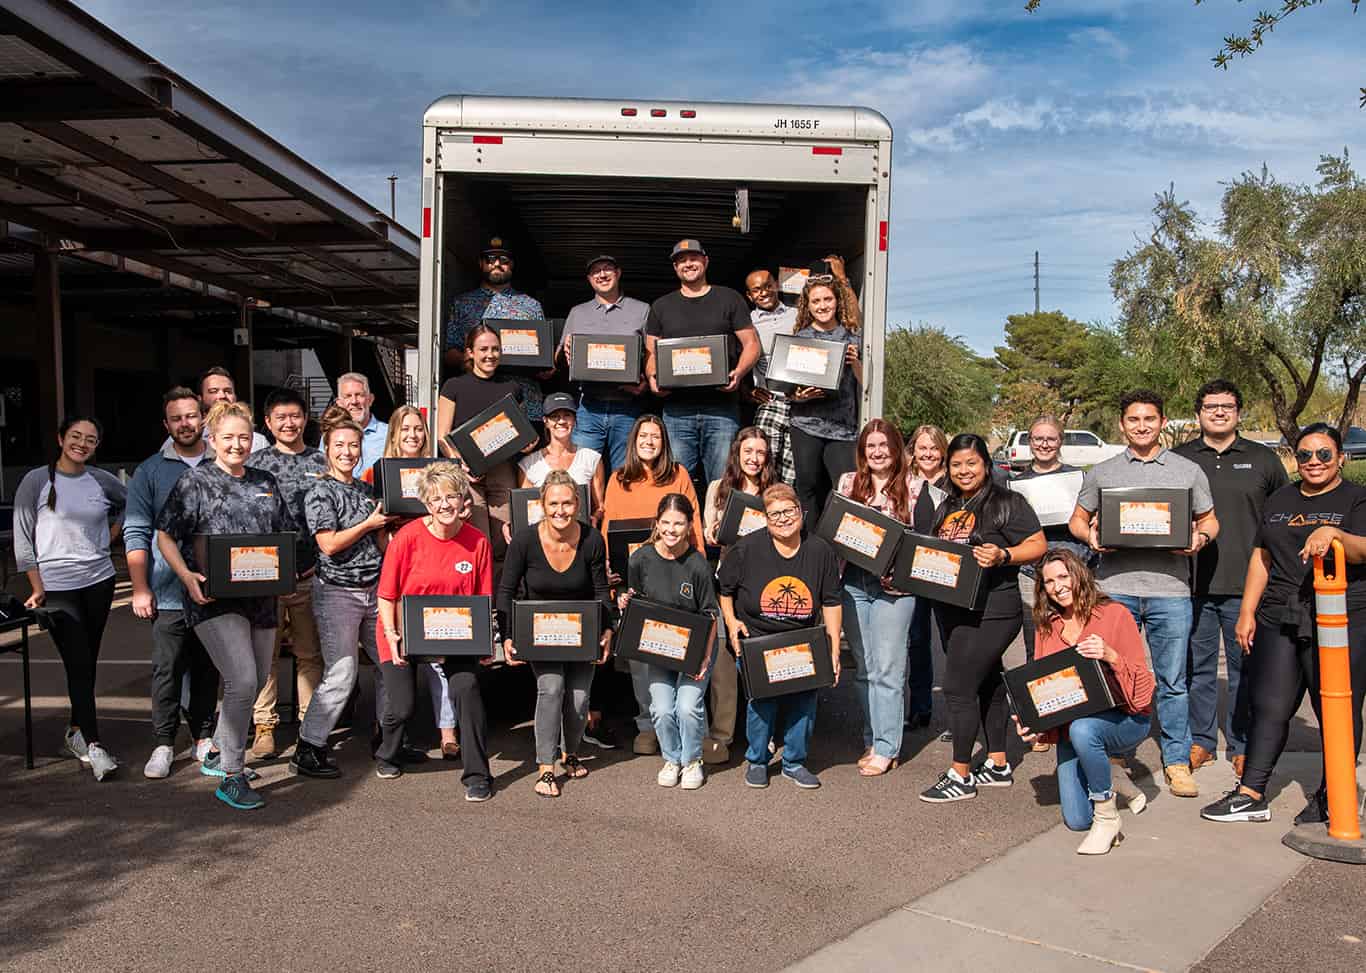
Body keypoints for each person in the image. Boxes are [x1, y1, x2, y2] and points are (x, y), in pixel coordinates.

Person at [1201, 424, 1366, 827]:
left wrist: (1334, 532)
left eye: (1324, 454)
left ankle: (1335, 795)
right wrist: (1246, 612)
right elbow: (1262, 556)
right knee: (1270, 706)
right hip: (1279, 612)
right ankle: (1251, 793)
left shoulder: (1356, 499)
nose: (1314, 462)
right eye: (1306, 455)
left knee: (1337, 708)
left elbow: (1363, 550)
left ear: (1341, 457)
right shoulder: (1282, 498)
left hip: (1340, 615)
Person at [1070, 389, 1219, 799]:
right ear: (1122, 424)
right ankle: (1117, 754)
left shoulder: (1187, 471)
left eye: (1149, 419)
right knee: (1113, 673)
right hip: (1115, 591)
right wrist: (1093, 537)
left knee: (1172, 681)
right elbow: (1077, 521)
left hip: (1170, 592)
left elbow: (1210, 521)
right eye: (1133, 420)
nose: (1141, 426)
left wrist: (1199, 538)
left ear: (1162, 423)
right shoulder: (1103, 472)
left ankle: (1175, 761)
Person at [156, 401, 293, 810]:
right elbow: (165, 535)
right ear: (211, 440)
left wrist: (285, 575)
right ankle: (232, 775)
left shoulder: (265, 480)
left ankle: (217, 750)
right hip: (213, 600)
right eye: (229, 437)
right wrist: (187, 577)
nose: (237, 444)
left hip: (263, 600)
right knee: (243, 680)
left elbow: (281, 536)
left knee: (252, 682)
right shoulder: (194, 483)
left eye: (244, 437)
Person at [919, 434, 1046, 804]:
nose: (964, 471)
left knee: (957, 688)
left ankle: (960, 774)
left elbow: (1038, 545)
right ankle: (997, 763)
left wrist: (1004, 555)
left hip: (994, 609)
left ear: (986, 465)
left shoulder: (1008, 502)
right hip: (953, 609)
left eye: (971, 463)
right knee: (988, 682)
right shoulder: (946, 505)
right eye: (956, 464)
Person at [1173, 380, 1288, 778]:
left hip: (1249, 588)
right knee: (1197, 671)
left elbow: (1282, 518)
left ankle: (1241, 746)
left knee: (1245, 672)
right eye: (1210, 406)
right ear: (1199, 412)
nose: (1219, 412)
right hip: (1192, 586)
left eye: (1227, 405)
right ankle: (1201, 742)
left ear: (1239, 411)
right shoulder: (1180, 459)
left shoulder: (1264, 459)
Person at [1015, 551, 1155, 854]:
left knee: (1082, 729)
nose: (1057, 586)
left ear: (1079, 575)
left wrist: (1110, 655)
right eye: (1048, 581)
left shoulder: (1115, 614)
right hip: (1074, 724)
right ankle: (1111, 773)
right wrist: (1033, 722)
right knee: (1077, 820)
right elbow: (1048, 689)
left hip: (1125, 720)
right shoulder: (1047, 625)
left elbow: (1143, 687)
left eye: (1063, 577)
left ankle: (1107, 816)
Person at [375, 462, 497, 801]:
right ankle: (387, 752)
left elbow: (482, 600)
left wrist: (485, 644)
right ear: (426, 503)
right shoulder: (407, 538)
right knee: (401, 707)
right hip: (401, 632)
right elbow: (386, 595)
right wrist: (391, 635)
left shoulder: (478, 542)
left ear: (463, 501)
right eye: (436, 498)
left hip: (456, 636)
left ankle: (477, 774)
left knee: (467, 690)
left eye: (452, 496)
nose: (445, 504)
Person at [15, 416, 127, 781]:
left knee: (88, 661)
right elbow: (22, 538)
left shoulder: (101, 479)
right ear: (61, 438)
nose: (82, 443)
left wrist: (109, 536)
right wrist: (36, 586)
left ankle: (76, 732)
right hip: (57, 587)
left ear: (96, 446)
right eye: (75, 436)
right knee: (78, 662)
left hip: (99, 581)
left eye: (90, 439)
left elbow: (131, 505)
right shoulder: (36, 480)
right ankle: (94, 746)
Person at [719, 483, 843, 790]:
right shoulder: (746, 549)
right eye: (775, 514)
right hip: (759, 640)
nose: (783, 518)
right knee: (762, 704)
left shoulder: (820, 551)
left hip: (804, 642)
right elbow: (725, 590)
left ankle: (794, 762)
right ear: (765, 518)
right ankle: (757, 760)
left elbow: (831, 602)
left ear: (801, 512)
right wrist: (732, 623)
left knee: (804, 703)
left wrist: (833, 649)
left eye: (789, 511)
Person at [293, 415, 397, 779]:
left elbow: (379, 543)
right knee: (342, 672)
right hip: (338, 592)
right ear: (327, 449)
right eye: (339, 445)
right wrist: (369, 524)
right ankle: (309, 746)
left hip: (374, 590)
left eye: (353, 445)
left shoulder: (367, 491)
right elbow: (328, 544)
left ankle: (387, 738)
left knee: (389, 665)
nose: (347, 452)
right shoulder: (321, 491)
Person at [499, 471, 614, 798]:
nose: (560, 510)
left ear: (578, 504)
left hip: (582, 633)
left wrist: (607, 629)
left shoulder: (593, 540)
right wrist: (507, 635)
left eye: (567, 503)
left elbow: (601, 589)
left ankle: (570, 752)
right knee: (552, 688)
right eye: (553, 503)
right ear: (541, 505)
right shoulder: (523, 540)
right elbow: (506, 590)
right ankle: (546, 767)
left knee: (578, 700)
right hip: (541, 632)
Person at [125, 387, 220, 779]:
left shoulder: (222, 463)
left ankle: (202, 738)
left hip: (215, 588)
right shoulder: (150, 470)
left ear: (203, 418)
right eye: (177, 418)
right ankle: (164, 743)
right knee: (166, 669)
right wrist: (139, 587)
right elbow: (135, 531)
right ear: (167, 425)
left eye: (191, 415)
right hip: (165, 591)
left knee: (206, 668)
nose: (185, 423)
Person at [602, 414, 705, 755]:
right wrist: (610, 572)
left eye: (656, 436)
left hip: (679, 576)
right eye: (643, 436)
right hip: (637, 578)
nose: (649, 441)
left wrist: (699, 566)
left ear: (664, 443)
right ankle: (648, 725)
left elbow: (695, 525)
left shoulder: (679, 475)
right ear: (633, 441)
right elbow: (609, 529)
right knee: (641, 657)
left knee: (681, 649)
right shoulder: (619, 479)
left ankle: (684, 725)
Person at [364, 403, 460, 760]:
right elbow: (376, 524)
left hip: (434, 565)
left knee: (438, 655)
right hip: (398, 566)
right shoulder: (380, 472)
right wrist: (389, 546)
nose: (413, 435)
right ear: (394, 434)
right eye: (405, 429)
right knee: (395, 655)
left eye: (418, 429)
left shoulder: (439, 472)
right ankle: (388, 733)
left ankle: (447, 731)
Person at [245, 387, 327, 760]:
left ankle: (311, 726)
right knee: (267, 655)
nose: (289, 423)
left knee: (310, 654)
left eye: (295, 416)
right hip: (267, 576)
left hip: (312, 573)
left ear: (304, 419)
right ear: (268, 422)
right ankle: (265, 726)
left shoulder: (322, 460)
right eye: (281, 417)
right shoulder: (255, 464)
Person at [618, 494, 719, 789]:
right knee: (661, 709)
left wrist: (704, 659)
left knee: (687, 706)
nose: (671, 530)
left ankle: (692, 760)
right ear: (656, 523)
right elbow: (635, 599)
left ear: (689, 525)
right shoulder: (640, 558)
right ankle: (672, 758)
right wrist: (626, 600)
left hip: (695, 650)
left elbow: (711, 616)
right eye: (665, 523)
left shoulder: (698, 565)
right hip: (659, 650)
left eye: (678, 523)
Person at [836, 419, 918, 777]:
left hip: (894, 589)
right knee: (865, 668)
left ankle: (887, 746)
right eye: (871, 446)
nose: (878, 452)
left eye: (884, 445)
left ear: (896, 449)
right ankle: (872, 738)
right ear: (862, 451)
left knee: (888, 669)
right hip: (853, 582)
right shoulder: (848, 483)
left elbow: (920, 543)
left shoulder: (915, 487)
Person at [643, 239, 760, 484]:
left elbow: (752, 344)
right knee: (676, 482)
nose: (688, 264)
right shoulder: (661, 306)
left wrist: (738, 372)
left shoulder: (729, 298)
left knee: (721, 482)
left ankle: (716, 524)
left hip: (721, 409)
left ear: (705, 261)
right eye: (682, 261)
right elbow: (652, 353)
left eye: (694, 258)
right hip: (677, 411)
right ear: (675, 268)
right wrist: (653, 378)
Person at [700, 427, 775, 763]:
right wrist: (714, 532)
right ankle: (722, 734)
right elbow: (706, 530)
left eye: (760, 452)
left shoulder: (776, 492)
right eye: (748, 451)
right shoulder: (719, 488)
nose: (754, 458)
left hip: (764, 586)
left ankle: (767, 733)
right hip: (725, 582)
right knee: (723, 663)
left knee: (761, 660)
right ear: (737, 453)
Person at [437, 323, 531, 563]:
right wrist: (460, 464)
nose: (490, 355)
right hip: (468, 475)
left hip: (502, 472)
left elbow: (520, 433)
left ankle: (500, 596)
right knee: (475, 538)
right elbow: (442, 435)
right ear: (470, 352)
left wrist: (527, 443)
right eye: (483, 349)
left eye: (495, 349)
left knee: (505, 536)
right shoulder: (454, 386)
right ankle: (478, 597)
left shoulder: (512, 389)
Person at [787, 271, 863, 533]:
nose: (822, 306)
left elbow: (867, 385)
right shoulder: (798, 340)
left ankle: (840, 551)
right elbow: (787, 387)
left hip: (843, 429)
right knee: (807, 488)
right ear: (807, 306)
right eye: (816, 301)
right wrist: (798, 396)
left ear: (837, 301)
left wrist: (856, 364)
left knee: (845, 491)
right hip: (805, 424)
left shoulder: (854, 338)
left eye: (827, 299)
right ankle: (810, 545)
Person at [442, 237, 548, 421]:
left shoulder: (531, 306)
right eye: (491, 259)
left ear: (512, 265)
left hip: (524, 403)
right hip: (477, 402)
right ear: (481, 263)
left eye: (504, 260)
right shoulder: (462, 304)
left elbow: (544, 359)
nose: (497, 264)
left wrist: (546, 366)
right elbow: (449, 354)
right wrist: (477, 358)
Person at [562, 255, 650, 470]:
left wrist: (646, 384)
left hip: (628, 407)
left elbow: (653, 355)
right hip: (589, 407)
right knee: (582, 474)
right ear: (589, 279)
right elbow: (559, 360)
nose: (602, 274)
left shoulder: (642, 310)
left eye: (607, 269)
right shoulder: (577, 312)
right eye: (595, 271)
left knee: (625, 473)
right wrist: (565, 350)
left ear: (618, 273)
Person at [905, 424, 949, 732]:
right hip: (914, 572)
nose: (928, 454)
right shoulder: (905, 483)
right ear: (913, 451)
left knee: (953, 642)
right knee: (917, 641)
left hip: (947, 572)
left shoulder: (954, 483)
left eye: (934, 448)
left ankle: (959, 714)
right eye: (922, 448)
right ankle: (920, 708)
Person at [743, 268, 798, 485]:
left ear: (776, 285)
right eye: (756, 290)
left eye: (767, 285)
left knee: (792, 476)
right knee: (763, 471)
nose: (763, 292)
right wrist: (747, 391)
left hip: (801, 405)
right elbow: (737, 359)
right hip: (770, 404)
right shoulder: (747, 323)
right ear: (749, 296)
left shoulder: (798, 314)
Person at [518, 391, 607, 525]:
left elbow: (600, 506)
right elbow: (526, 512)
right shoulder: (528, 464)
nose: (561, 421)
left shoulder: (592, 459)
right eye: (555, 416)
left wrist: (595, 517)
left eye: (567, 415)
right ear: (545, 421)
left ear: (574, 420)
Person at [161, 366, 268, 454]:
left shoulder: (258, 442)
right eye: (213, 391)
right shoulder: (180, 441)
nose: (222, 396)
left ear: (235, 397)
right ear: (200, 399)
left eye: (228, 391)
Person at [335, 372, 389, 476]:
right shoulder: (331, 436)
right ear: (339, 404)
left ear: (370, 399)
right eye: (348, 396)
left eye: (359, 395)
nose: (354, 401)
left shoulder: (389, 434)